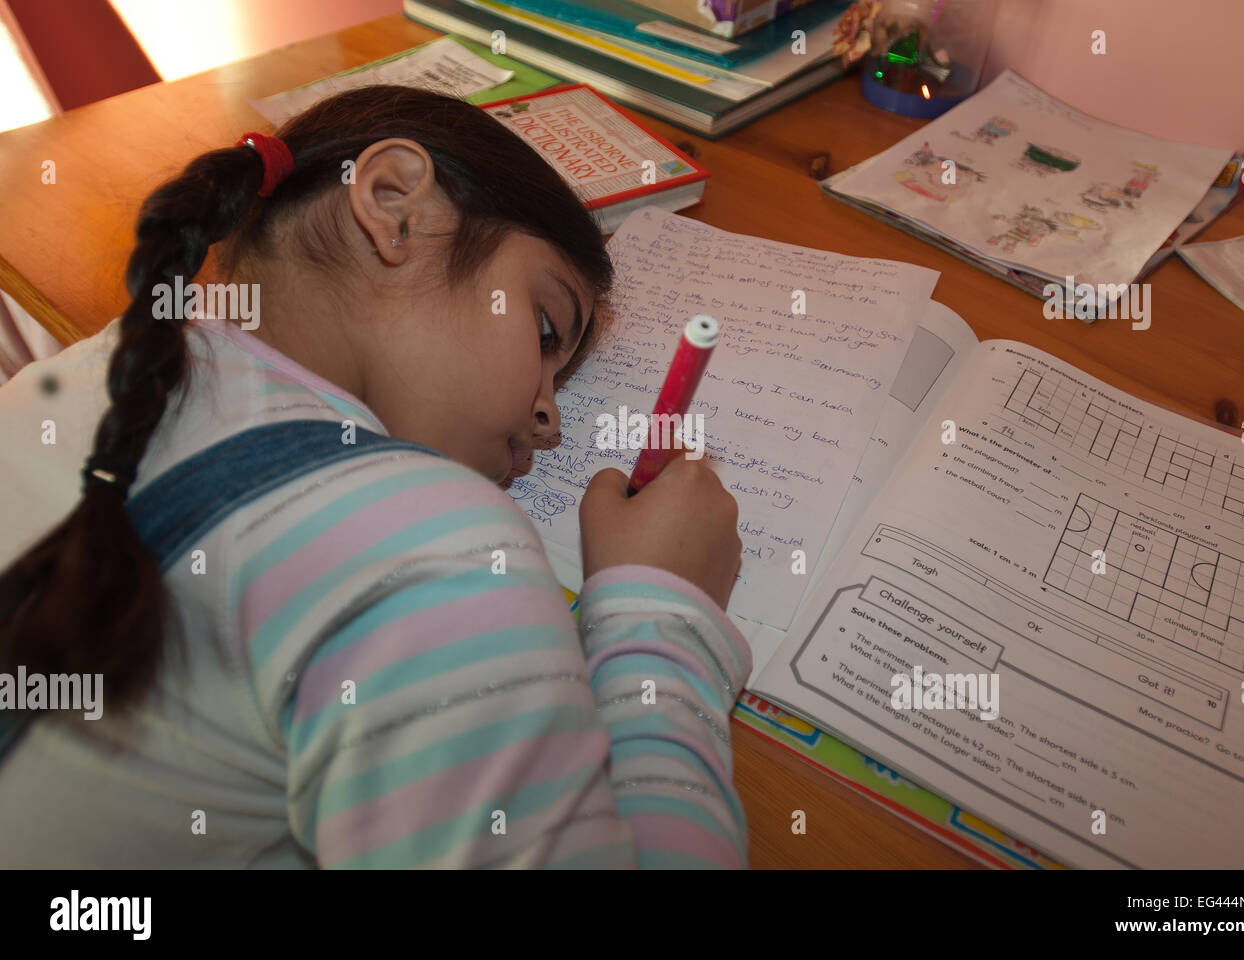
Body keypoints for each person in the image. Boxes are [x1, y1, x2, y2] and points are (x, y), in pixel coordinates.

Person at [0, 85, 748, 868]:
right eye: (544, 328)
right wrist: (660, 616)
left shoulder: (86, 377)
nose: (551, 426)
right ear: (394, 205)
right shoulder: (430, 551)